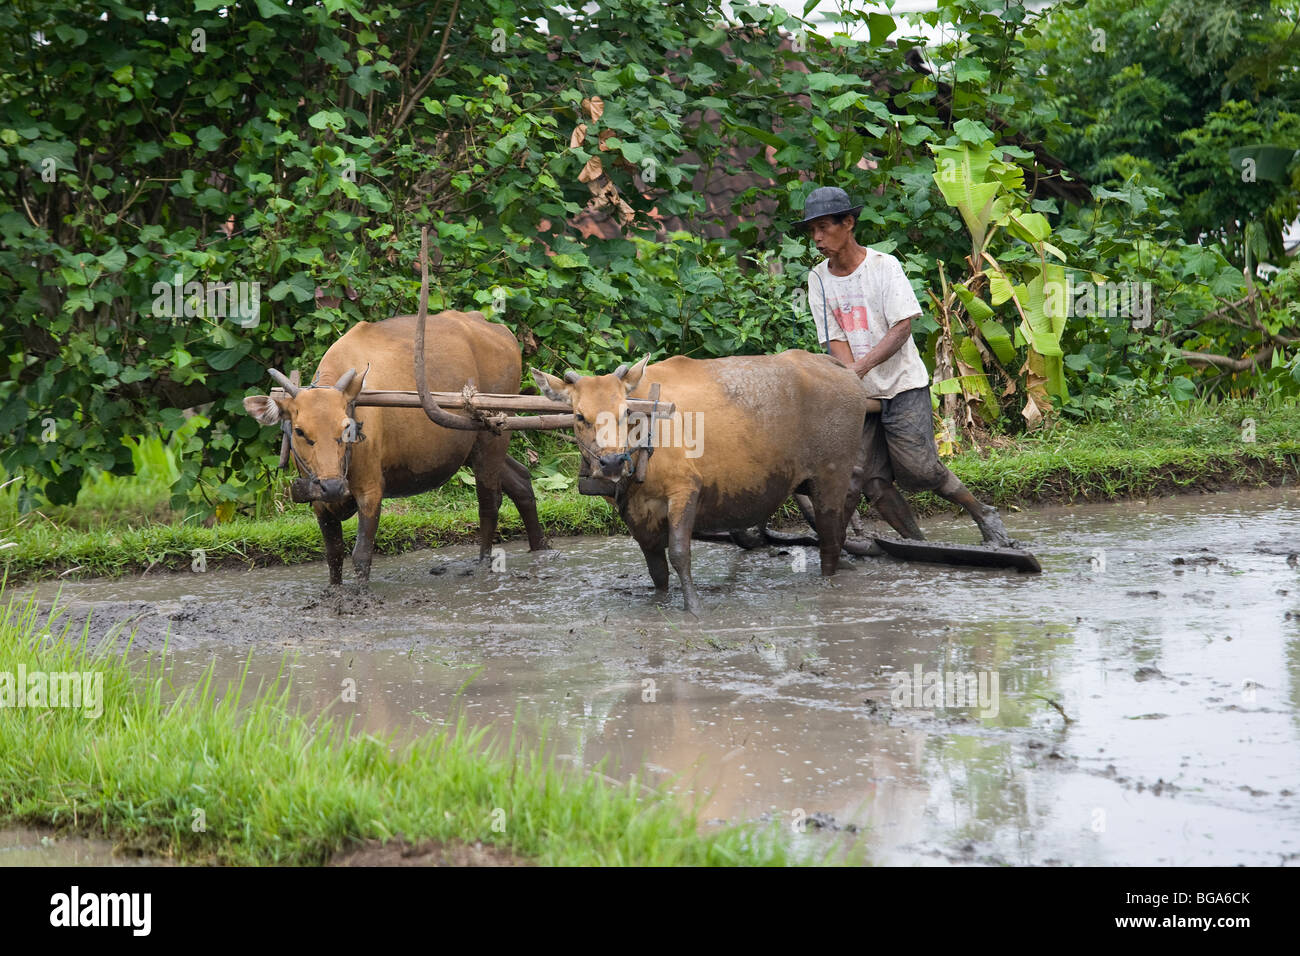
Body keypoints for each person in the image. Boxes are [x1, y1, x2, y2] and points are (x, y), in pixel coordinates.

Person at [793, 186, 1014, 548]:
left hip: (902, 385)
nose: (816, 238)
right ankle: (918, 544)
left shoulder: (883, 267)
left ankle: (984, 513)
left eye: (823, 228)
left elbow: (902, 327)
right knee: (871, 481)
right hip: (860, 395)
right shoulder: (818, 279)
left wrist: (858, 370)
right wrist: (852, 383)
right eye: (811, 231)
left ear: (848, 223)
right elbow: (833, 338)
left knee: (921, 469)